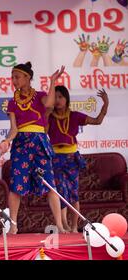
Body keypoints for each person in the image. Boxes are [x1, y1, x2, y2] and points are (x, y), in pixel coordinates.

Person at [0, 62, 67, 234]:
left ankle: (59, 225)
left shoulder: (40, 96)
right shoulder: (12, 102)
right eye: (12, 77)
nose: (14, 80)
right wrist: (6, 141)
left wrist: (52, 82)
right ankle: (13, 225)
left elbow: (50, 104)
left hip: (40, 143)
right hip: (21, 144)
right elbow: (14, 129)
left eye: (17, 77)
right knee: (16, 186)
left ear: (28, 78)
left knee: (50, 185)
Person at [47, 86, 109, 232]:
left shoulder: (75, 116)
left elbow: (97, 121)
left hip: (72, 158)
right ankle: (64, 226)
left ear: (67, 99)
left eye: (60, 97)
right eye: (55, 97)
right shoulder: (48, 117)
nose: (57, 100)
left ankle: (74, 227)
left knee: (74, 193)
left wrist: (105, 105)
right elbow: (42, 130)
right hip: (55, 159)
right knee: (60, 192)